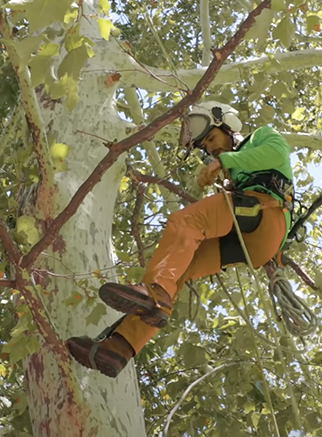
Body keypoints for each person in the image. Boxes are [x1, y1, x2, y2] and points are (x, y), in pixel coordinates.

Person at [67, 101, 295, 377]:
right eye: (206, 147)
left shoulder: (261, 137)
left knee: (186, 222)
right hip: (251, 241)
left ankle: (154, 295)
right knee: (178, 270)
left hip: (265, 213)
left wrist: (224, 162)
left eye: (212, 138)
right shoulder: (232, 174)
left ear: (229, 126)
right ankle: (120, 347)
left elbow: (275, 154)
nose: (211, 149)